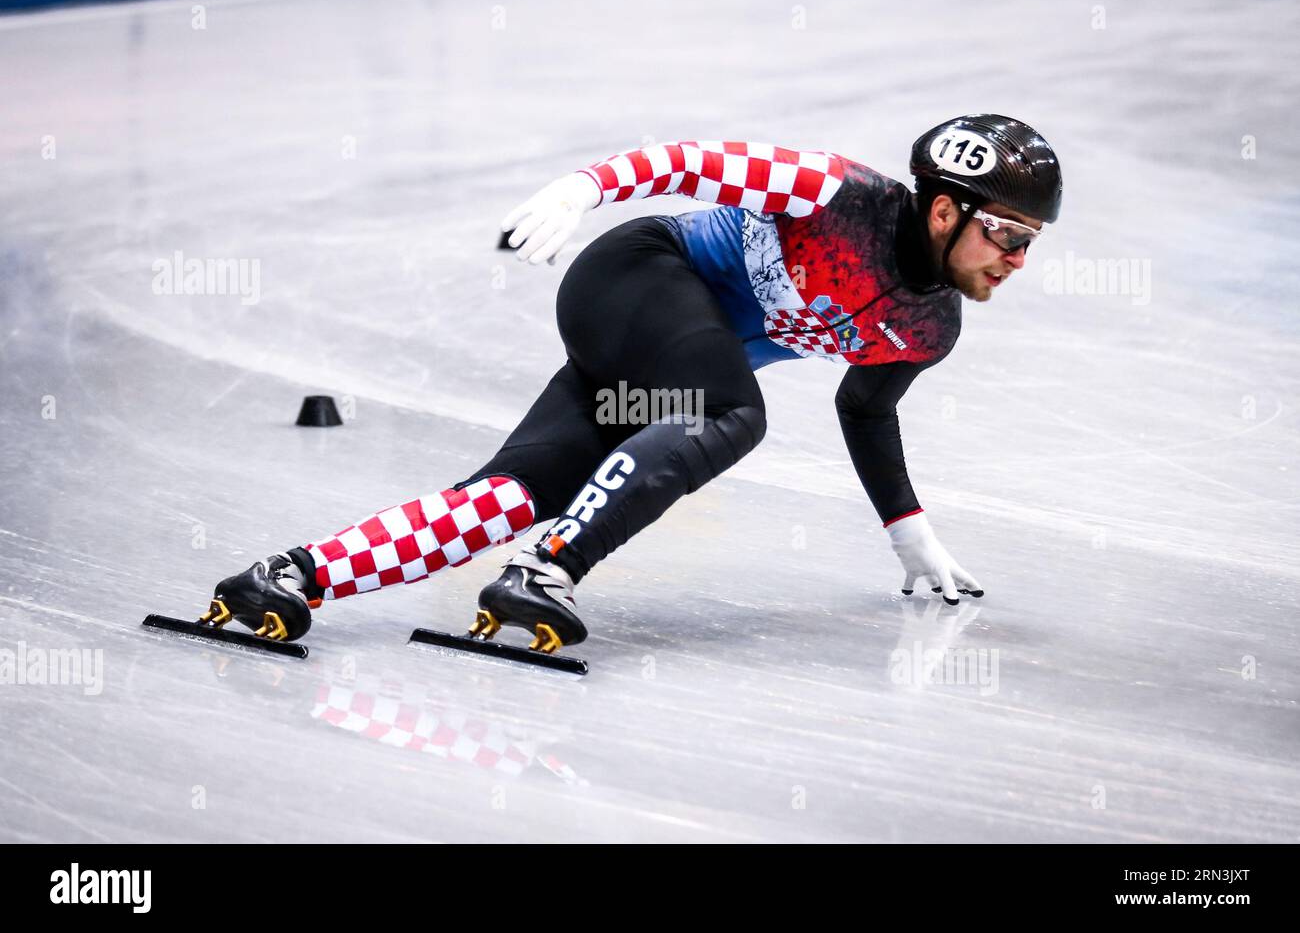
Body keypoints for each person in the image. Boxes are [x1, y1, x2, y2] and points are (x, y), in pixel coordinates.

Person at [204, 114, 1063, 656]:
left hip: (665, 370)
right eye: (1006, 233)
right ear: (944, 209)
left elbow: (865, 408)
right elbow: (695, 160)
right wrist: (586, 188)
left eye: (1031, 242)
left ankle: (291, 574)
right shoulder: (837, 194)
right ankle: (548, 571)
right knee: (734, 412)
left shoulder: (930, 326)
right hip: (637, 277)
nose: (1017, 260)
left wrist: (906, 528)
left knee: (514, 492)